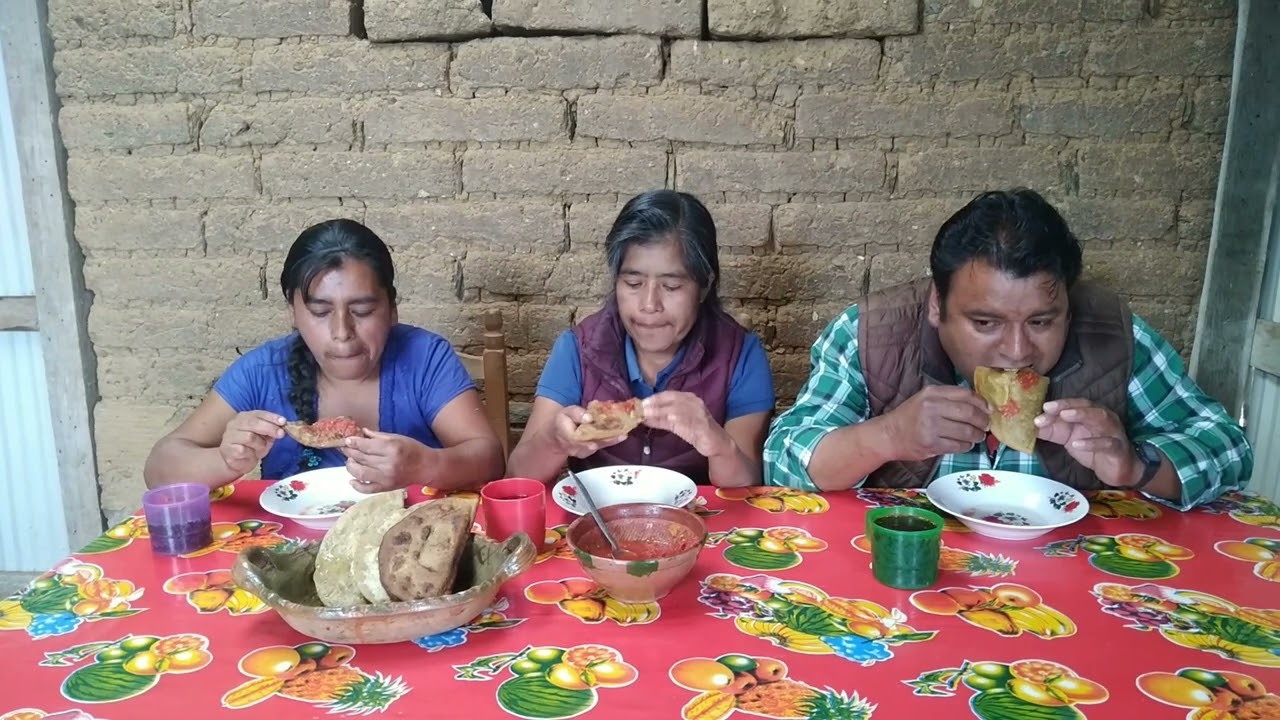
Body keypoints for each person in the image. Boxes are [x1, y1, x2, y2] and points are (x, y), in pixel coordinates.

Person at [764, 189, 1251, 510]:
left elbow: (1228, 445)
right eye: (985, 322)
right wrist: (887, 436)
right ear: (938, 304)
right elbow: (784, 457)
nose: (1017, 351)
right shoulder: (870, 333)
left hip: (1073, 581)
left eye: (1041, 321)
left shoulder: (1114, 333)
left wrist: (1135, 463)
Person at [143, 219, 506, 493]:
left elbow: (490, 460)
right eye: (319, 312)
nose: (341, 331)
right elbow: (159, 468)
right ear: (293, 313)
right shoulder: (263, 372)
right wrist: (223, 460)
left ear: (392, 309)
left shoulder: (424, 359)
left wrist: (426, 464)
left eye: (362, 310)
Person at [506, 190, 775, 487]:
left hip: (701, 525)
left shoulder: (740, 355)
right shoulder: (578, 349)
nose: (649, 304)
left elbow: (746, 487)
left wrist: (717, 442)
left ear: (704, 285)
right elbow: (518, 476)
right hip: (597, 523)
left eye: (671, 286)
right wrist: (555, 441)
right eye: (633, 283)